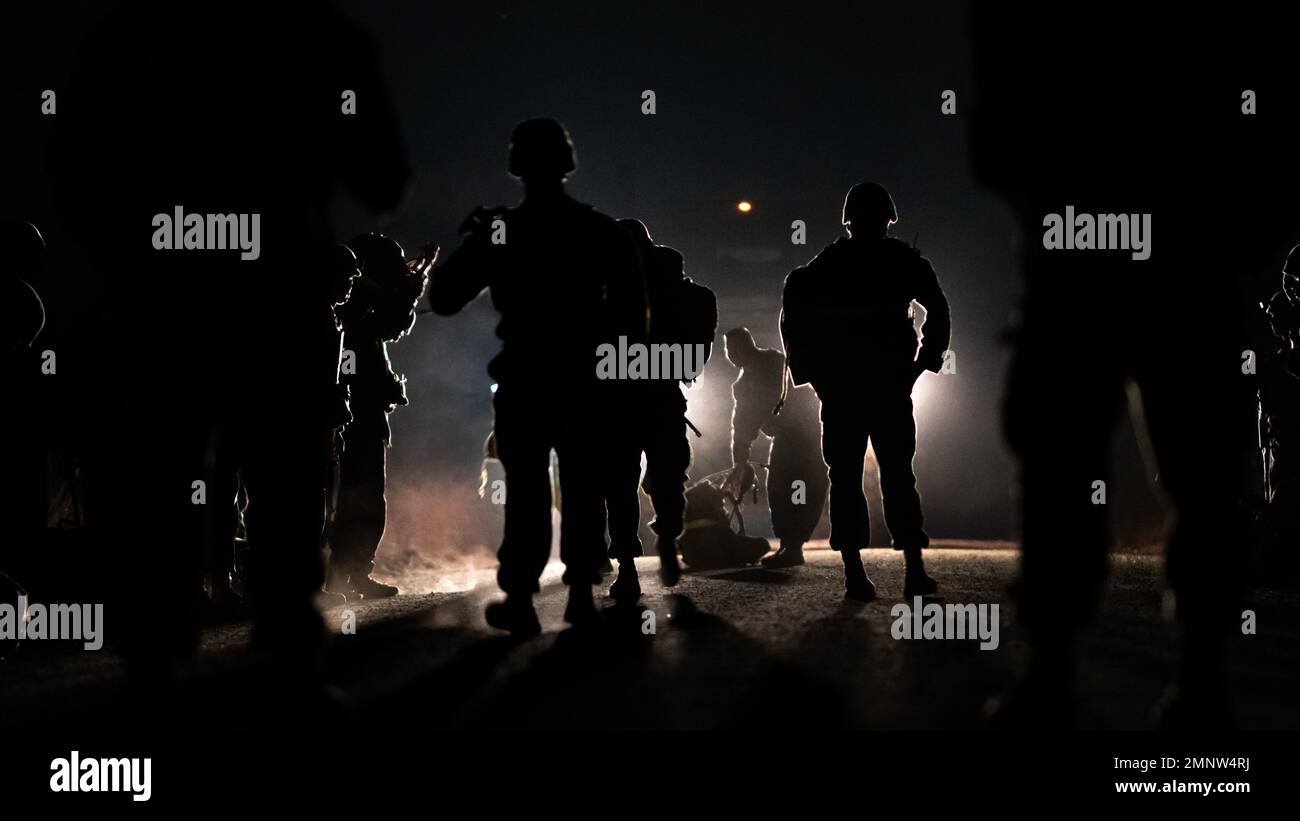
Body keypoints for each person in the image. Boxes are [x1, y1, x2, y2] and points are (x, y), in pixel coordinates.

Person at [429, 118, 643, 636]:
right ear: (568, 163)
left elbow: (443, 298)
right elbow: (633, 317)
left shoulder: (503, 230)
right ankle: (580, 594)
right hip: (584, 377)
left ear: (516, 165)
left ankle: (522, 598)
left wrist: (474, 240)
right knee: (583, 485)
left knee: (525, 489)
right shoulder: (599, 229)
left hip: (525, 375)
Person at [781, 183, 949, 601]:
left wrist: (815, 375)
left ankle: (862, 574)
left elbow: (793, 311)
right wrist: (921, 365)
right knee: (891, 476)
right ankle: (904, 571)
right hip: (880, 388)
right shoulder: (898, 260)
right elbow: (938, 309)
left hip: (852, 390)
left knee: (855, 478)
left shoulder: (829, 264)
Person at [604, 219, 717, 603]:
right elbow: (693, 354)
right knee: (666, 477)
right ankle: (666, 537)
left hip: (618, 401)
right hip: (661, 397)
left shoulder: (607, 285)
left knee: (620, 486)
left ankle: (630, 569)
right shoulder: (680, 288)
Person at [326, 234, 431, 600]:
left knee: (359, 494)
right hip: (352, 411)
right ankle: (345, 572)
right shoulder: (354, 299)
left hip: (353, 409)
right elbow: (390, 323)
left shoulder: (354, 295)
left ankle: (348, 572)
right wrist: (413, 285)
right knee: (361, 493)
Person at [721, 327, 827, 569]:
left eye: (733, 348)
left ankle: (793, 545)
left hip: (803, 436)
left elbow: (747, 418)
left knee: (797, 488)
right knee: (783, 488)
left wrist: (740, 458)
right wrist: (739, 460)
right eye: (727, 350)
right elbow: (743, 422)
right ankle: (791, 544)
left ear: (747, 345)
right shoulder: (746, 381)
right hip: (788, 438)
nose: (730, 354)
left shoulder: (773, 363)